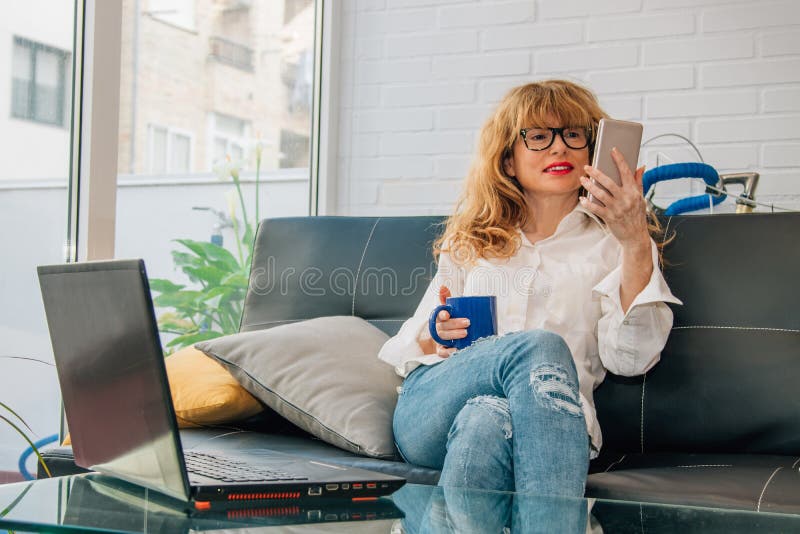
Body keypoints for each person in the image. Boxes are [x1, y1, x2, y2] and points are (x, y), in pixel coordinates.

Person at [378, 79, 681, 499]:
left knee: (486, 420)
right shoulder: (472, 241)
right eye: (538, 137)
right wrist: (436, 334)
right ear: (507, 161)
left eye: (573, 134)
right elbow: (411, 348)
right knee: (538, 346)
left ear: (591, 150)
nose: (560, 149)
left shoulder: (619, 244)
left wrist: (633, 240)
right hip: (432, 412)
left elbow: (632, 360)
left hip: (546, 425)